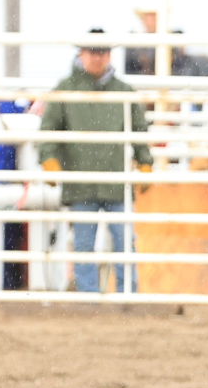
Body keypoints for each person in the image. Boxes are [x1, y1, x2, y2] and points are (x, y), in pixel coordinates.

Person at [38, 29, 152, 293]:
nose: (98, 58)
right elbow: (48, 132)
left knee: (123, 243)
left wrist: (144, 161)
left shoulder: (123, 91)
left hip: (114, 183)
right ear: (82, 53)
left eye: (102, 52)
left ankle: (127, 296)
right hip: (83, 184)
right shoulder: (65, 90)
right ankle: (89, 300)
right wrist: (49, 159)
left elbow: (139, 131)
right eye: (93, 52)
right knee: (84, 245)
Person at [125, 6, 158, 75]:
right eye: (148, 16)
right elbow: (130, 65)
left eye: (154, 15)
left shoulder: (171, 36)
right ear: (143, 18)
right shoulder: (132, 37)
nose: (151, 19)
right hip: (139, 78)